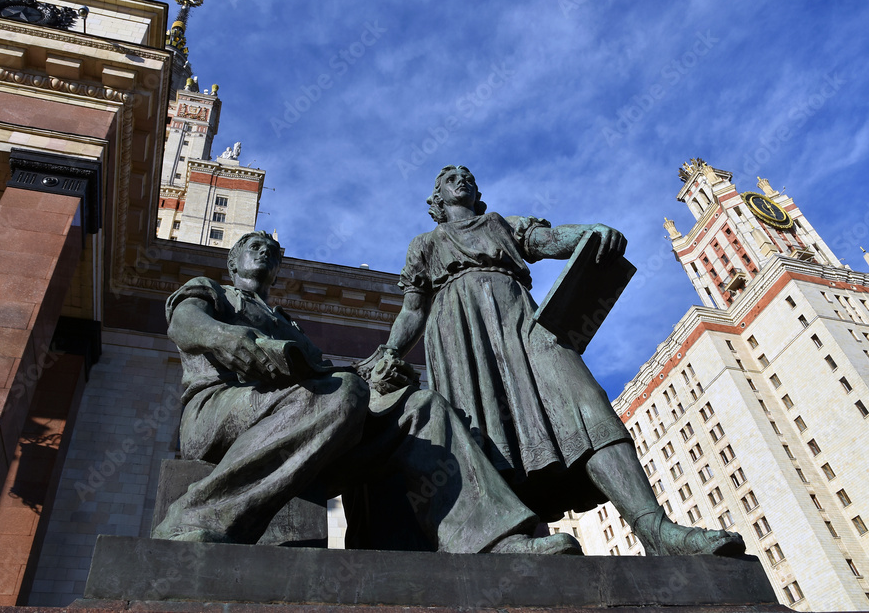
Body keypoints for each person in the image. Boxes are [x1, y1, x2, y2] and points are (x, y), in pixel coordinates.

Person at [372, 165, 744, 556]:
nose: (462, 180)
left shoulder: (500, 224)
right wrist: (391, 351)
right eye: (451, 178)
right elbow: (413, 310)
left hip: (522, 324)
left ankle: (655, 529)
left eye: (469, 176)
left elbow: (547, 240)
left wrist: (588, 233)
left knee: (586, 402)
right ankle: (511, 542)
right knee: (486, 436)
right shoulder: (425, 245)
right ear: (437, 199)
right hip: (459, 336)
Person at [152, 230, 581, 555]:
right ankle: (197, 518)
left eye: (271, 249)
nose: (264, 251)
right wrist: (229, 340)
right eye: (253, 245)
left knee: (420, 407)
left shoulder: (289, 325)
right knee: (336, 395)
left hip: (302, 415)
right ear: (232, 261)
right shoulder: (213, 292)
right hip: (220, 411)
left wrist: (379, 377)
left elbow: (333, 378)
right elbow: (185, 323)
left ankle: (491, 539)